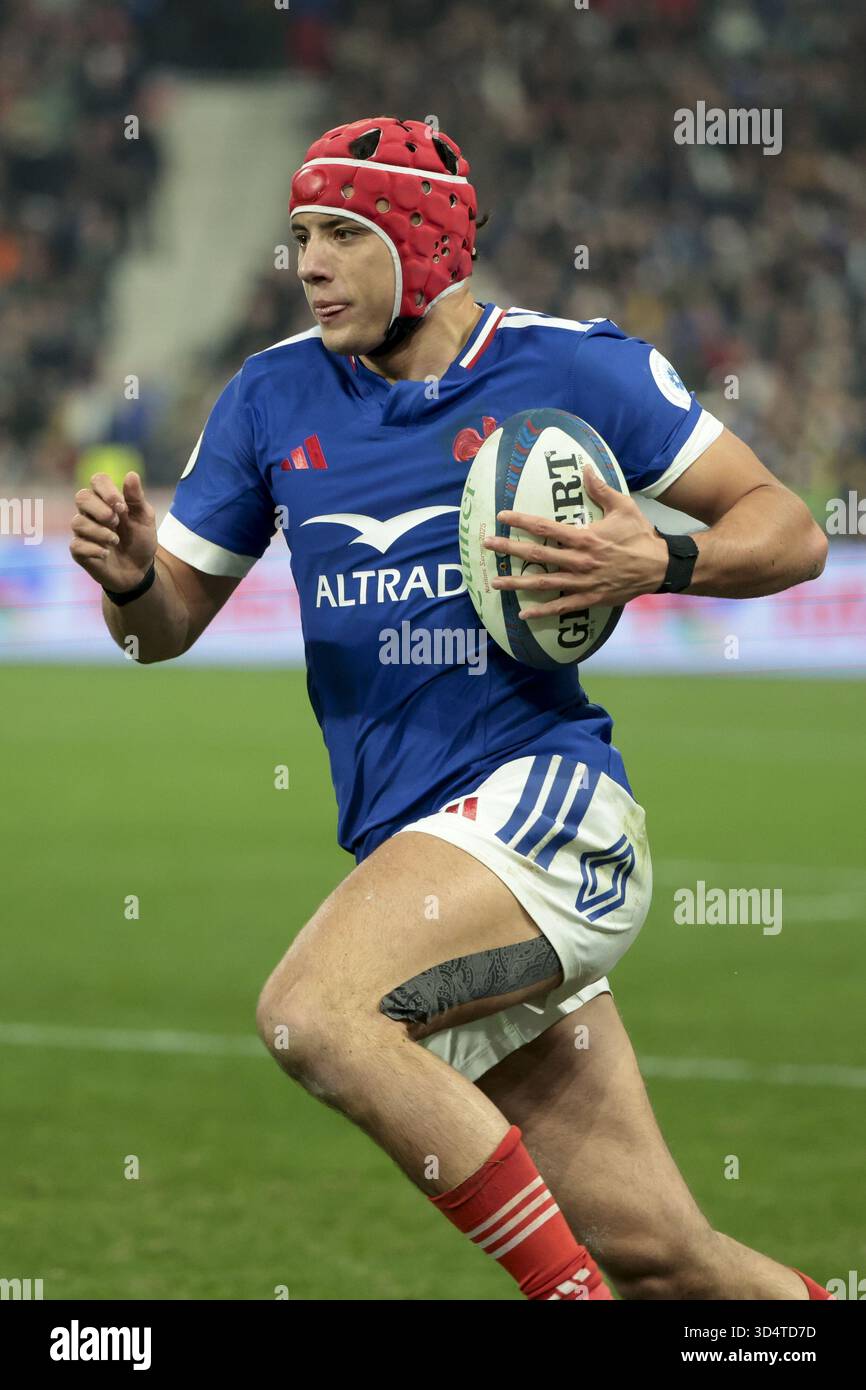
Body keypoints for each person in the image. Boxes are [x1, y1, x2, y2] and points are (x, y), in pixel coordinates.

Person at [70, 116, 831, 1301]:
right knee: (664, 1261)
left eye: (339, 234)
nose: (307, 263)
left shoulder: (573, 368)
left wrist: (659, 563)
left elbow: (787, 528)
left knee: (315, 1013)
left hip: (546, 805)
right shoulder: (271, 399)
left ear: (419, 246)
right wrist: (127, 578)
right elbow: (161, 629)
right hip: (432, 861)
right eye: (298, 236)